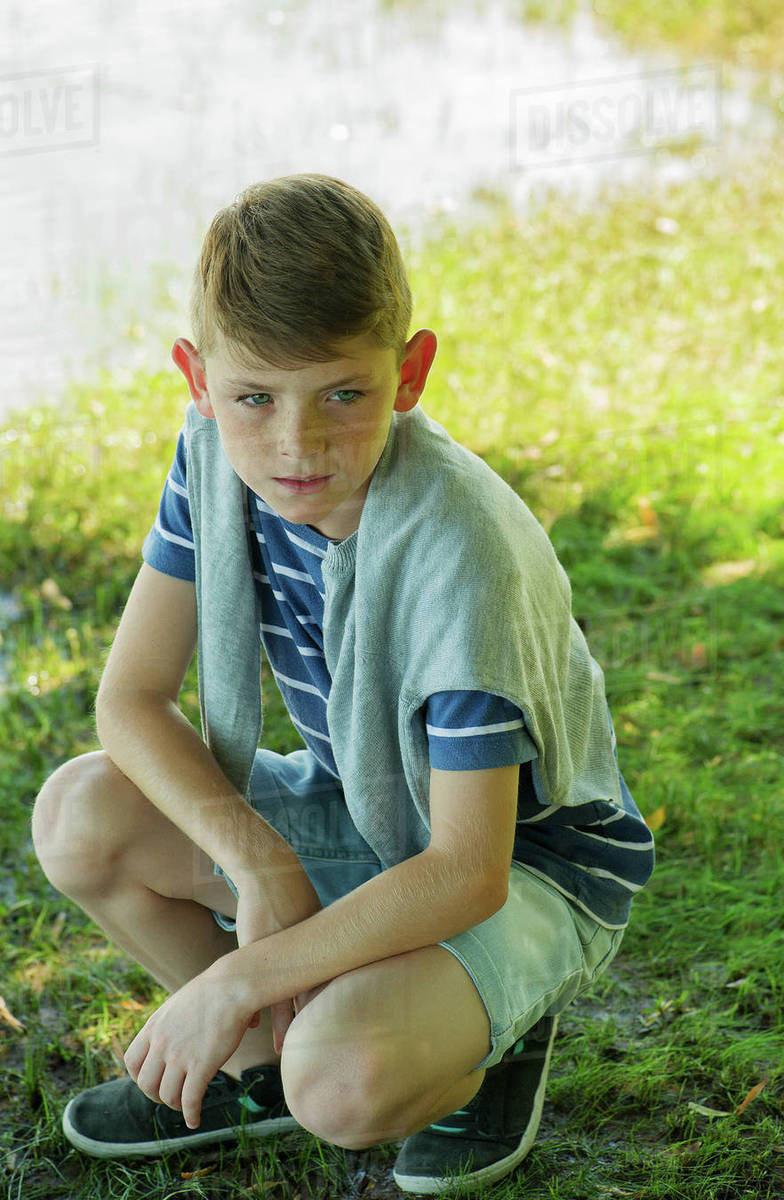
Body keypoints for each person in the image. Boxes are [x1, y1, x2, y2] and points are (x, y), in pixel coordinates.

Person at [32, 173, 655, 1195]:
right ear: (197, 376)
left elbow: (468, 872)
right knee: (81, 814)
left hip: (524, 861)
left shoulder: (461, 555)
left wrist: (240, 973)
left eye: (342, 394)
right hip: (375, 816)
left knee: (346, 1086)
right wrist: (263, 870)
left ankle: (486, 1039)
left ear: (409, 374)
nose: (296, 444)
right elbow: (130, 701)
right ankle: (251, 1074)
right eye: (254, 398)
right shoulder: (209, 459)